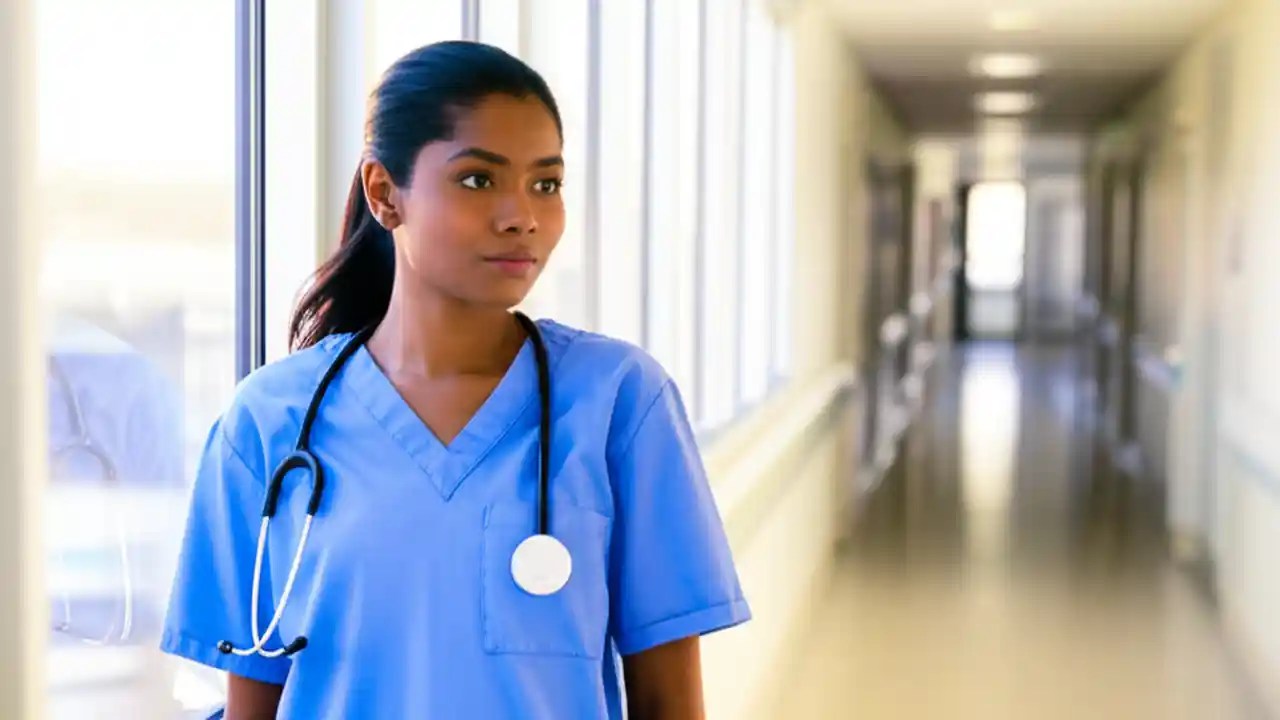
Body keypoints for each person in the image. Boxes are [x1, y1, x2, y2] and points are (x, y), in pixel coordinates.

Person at [160, 40, 749, 719]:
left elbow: (669, 701)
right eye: (478, 179)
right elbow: (250, 704)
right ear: (385, 194)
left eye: (546, 183)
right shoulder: (269, 419)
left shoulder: (620, 401)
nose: (522, 215)